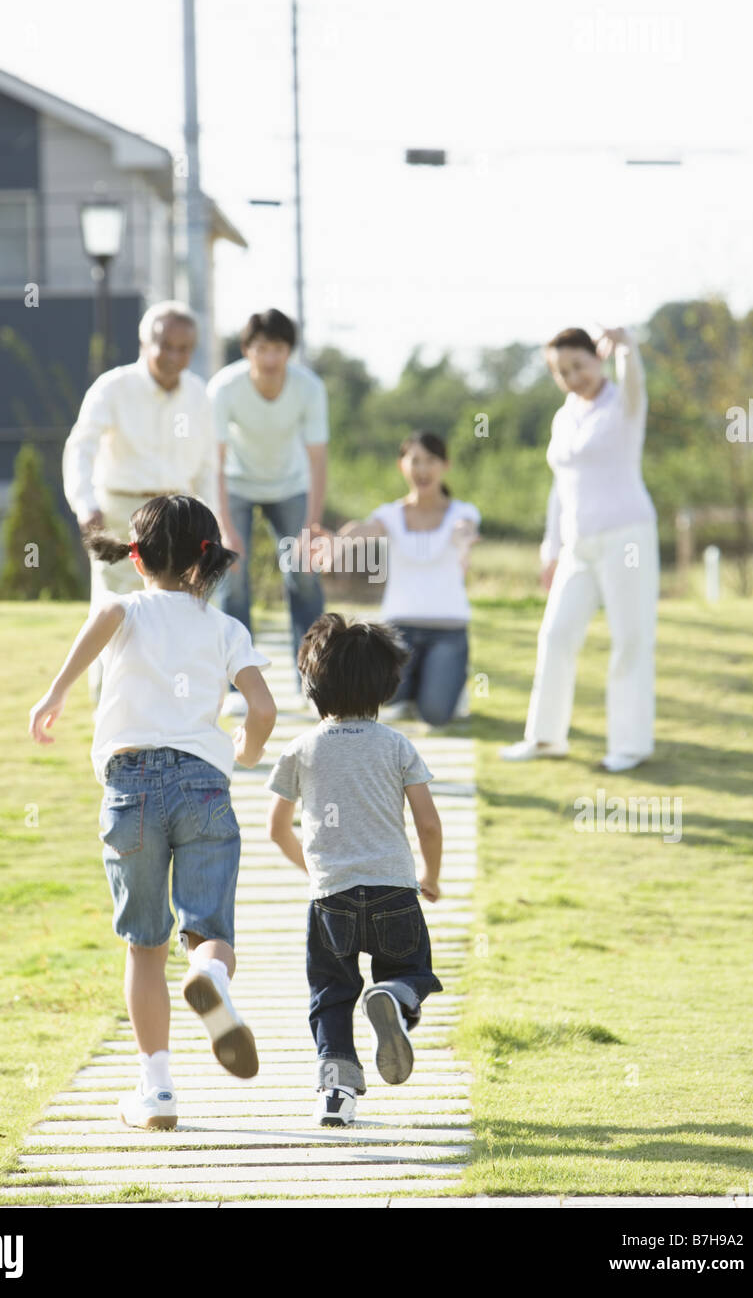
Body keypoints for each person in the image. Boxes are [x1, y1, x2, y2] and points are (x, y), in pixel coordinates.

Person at [28, 494, 277, 1130]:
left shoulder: (124, 607)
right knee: (209, 930)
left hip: (131, 786)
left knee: (144, 946)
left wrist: (54, 694)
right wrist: (245, 751)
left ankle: (157, 1090)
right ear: (208, 558)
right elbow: (264, 709)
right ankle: (210, 978)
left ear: (136, 558)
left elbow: (101, 619)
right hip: (204, 788)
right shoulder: (226, 629)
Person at [265, 613, 443, 1126]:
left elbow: (276, 828)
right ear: (387, 685)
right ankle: (395, 996)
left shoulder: (300, 750)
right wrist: (429, 876)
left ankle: (337, 1094)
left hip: (331, 899)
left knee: (331, 995)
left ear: (311, 685)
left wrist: (316, 870)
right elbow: (428, 824)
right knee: (409, 969)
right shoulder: (396, 746)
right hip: (393, 892)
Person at [500, 326, 658, 772]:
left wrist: (626, 346)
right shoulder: (564, 415)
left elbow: (633, 381)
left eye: (579, 366)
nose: (572, 377)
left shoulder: (624, 404)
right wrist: (551, 547)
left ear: (599, 360)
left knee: (630, 639)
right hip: (577, 544)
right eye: (561, 371)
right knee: (555, 634)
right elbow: (561, 486)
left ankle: (630, 745)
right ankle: (546, 737)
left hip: (627, 537)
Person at [62, 302, 217, 702]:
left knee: (174, 616)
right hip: (118, 514)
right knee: (114, 613)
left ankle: (163, 718)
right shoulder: (113, 387)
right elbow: (80, 448)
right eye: (165, 345)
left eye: (184, 348)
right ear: (144, 342)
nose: (174, 356)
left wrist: (214, 528)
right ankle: (109, 718)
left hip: (179, 518)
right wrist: (86, 505)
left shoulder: (198, 394)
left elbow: (206, 467)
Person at [313, 432, 481, 728]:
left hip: (448, 630)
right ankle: (419, 683)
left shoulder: (462, 512)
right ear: (402, 465)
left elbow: (464, 530)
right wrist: (338, 543)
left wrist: (465, 545)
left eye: (431, 461)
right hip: (398, 632)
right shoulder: (389, 515)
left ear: (445, 465)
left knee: (436, 716)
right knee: (382, 704)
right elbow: (362, 528)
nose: (422, 470)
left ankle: (447, 683)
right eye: (414, 461)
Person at [207, 308, 328, 713]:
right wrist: (225, 527)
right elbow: (214, 461)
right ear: (247, 350)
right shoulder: (225, 387)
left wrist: (312, 525)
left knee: (304, 576)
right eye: (262, 349)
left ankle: (313, 683)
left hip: (290, 485)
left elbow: (318, 460)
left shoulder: (309, 388)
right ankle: (240, 689)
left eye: (278, 349)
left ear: (289, 351)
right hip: (236, 484)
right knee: (233, 579)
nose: (271, 359)